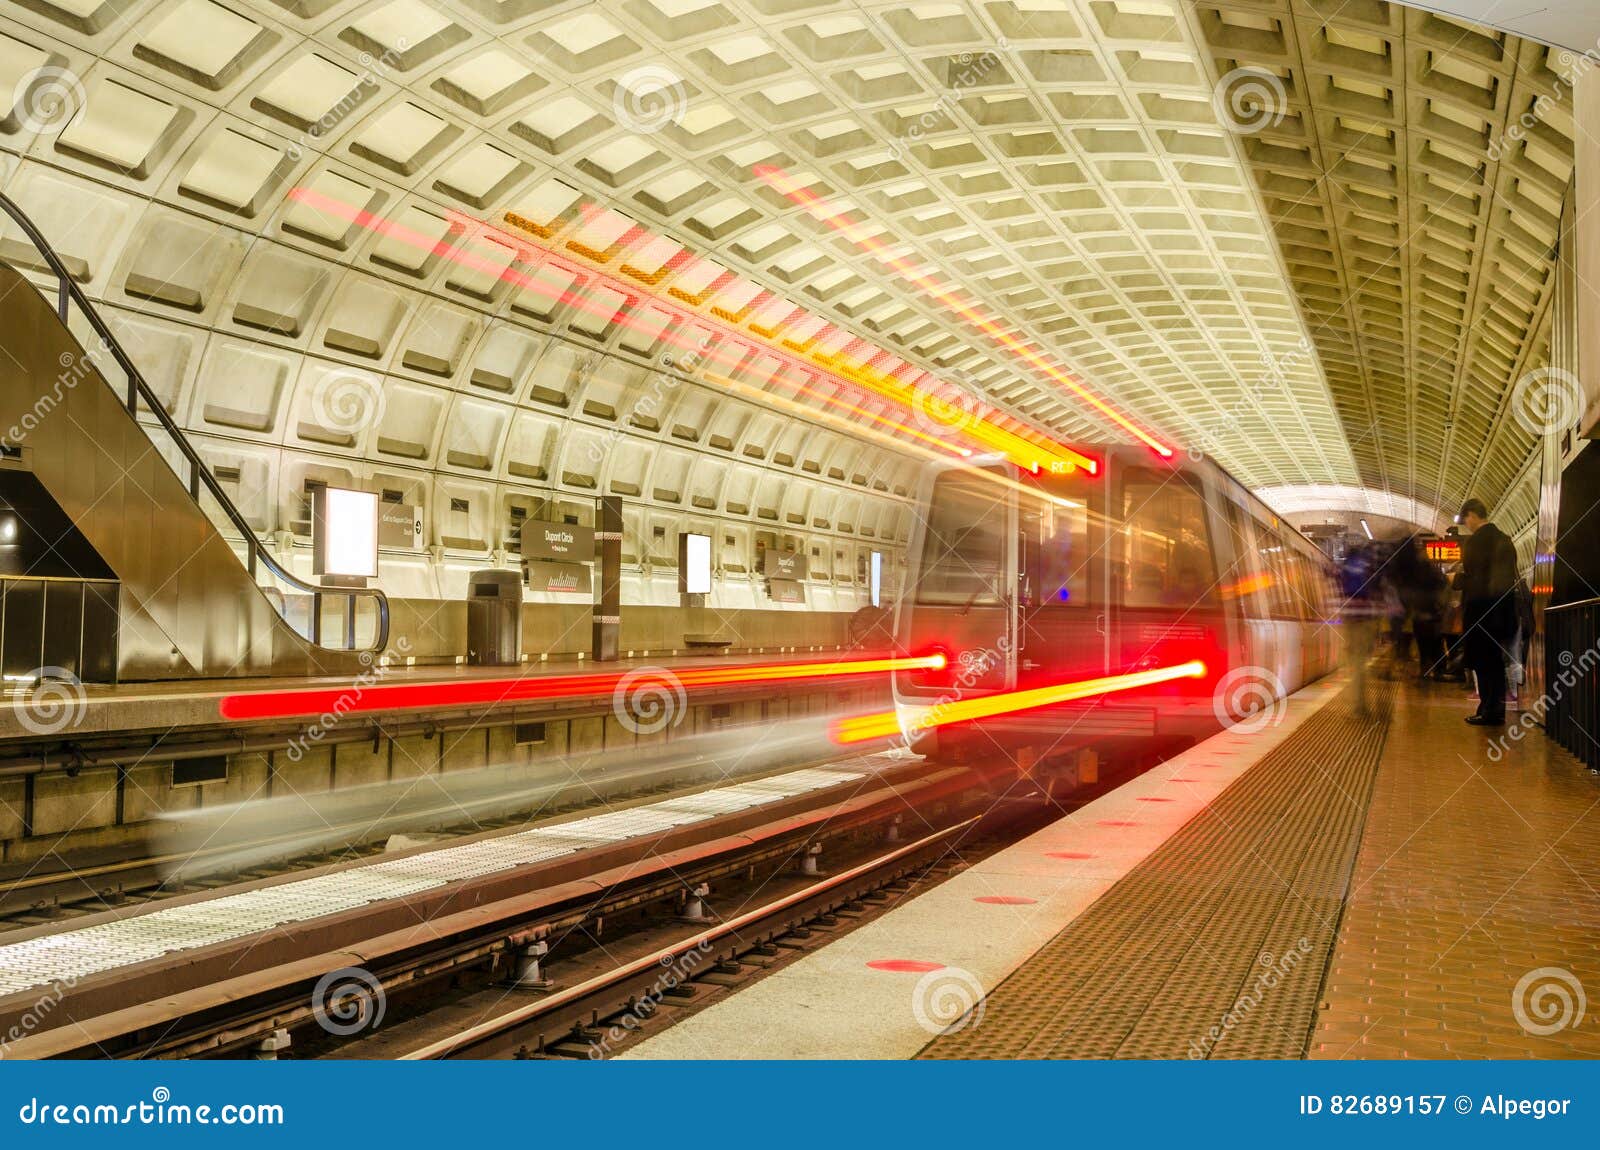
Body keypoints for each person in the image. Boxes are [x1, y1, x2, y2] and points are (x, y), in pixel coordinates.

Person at [1455, 499, 1518, 727]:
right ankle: (1495, 710)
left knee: (1482, 662)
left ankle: (1487, 710)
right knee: (1495, 662)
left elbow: (1475, 579)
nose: (1467, 524)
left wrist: (1458, 580)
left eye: (1466, 520)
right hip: (1502, 613)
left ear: (1472, 515)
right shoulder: (1505, 540)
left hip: (1481, 611)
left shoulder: (1475, 543)